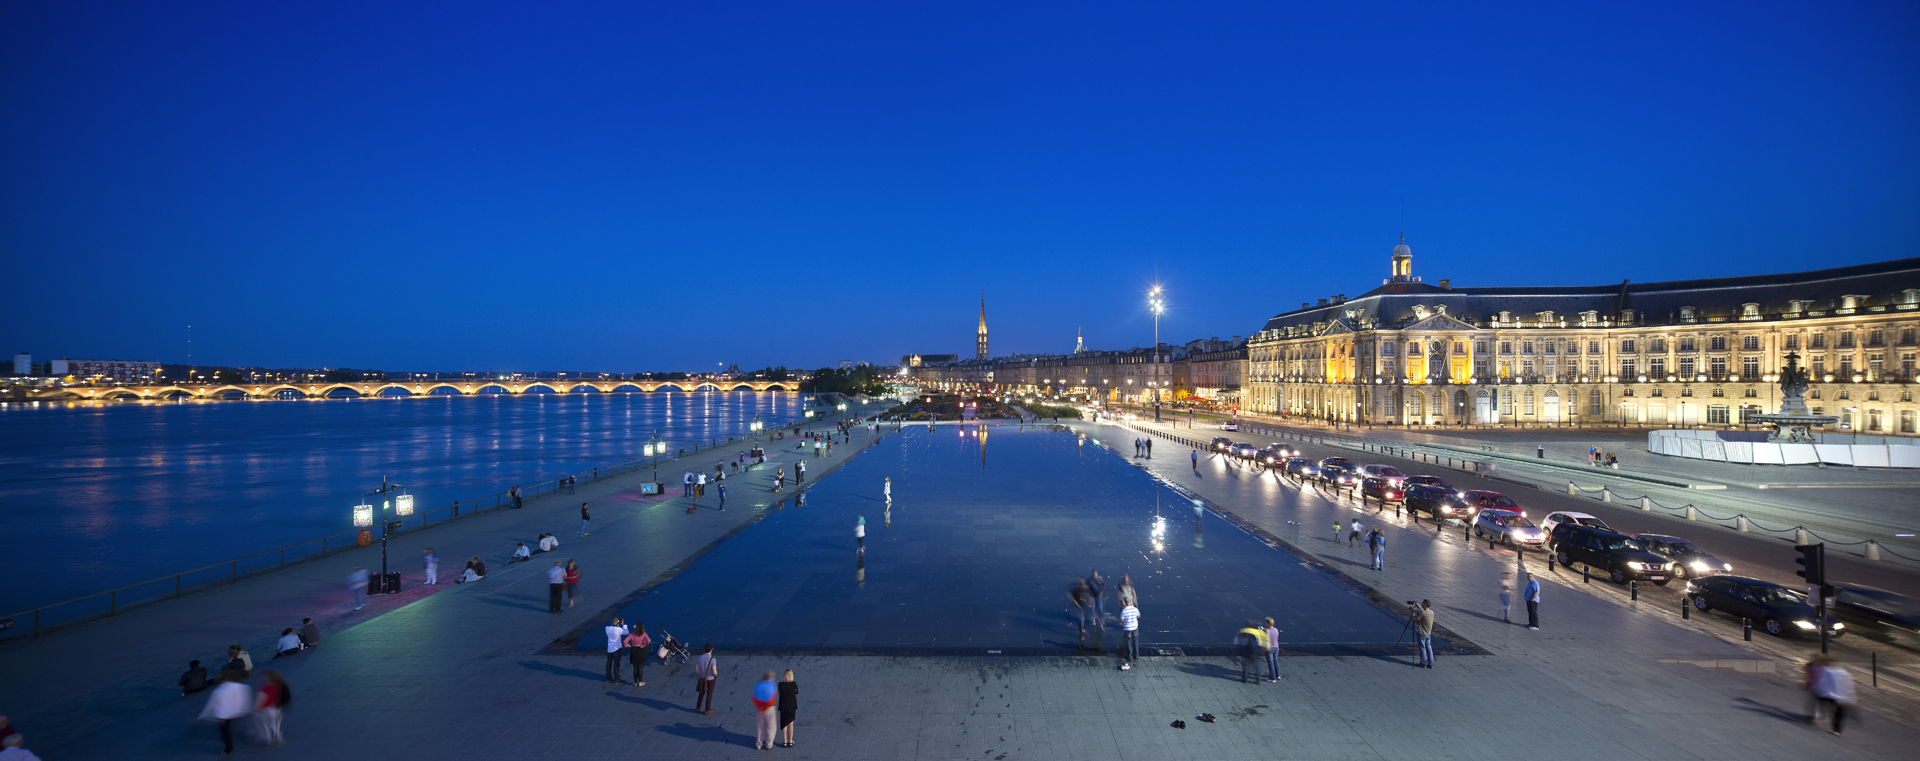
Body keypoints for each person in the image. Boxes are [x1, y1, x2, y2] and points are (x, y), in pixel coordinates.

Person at [199, 669, 252, 756]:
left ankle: (229, 749)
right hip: (236, 711)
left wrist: (203, 716)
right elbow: (244, 699)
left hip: (223, 715)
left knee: (225, 732)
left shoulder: (218, 691)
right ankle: (245, 739)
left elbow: (211, 705)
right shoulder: (241, 686)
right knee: (231, 726)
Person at [1811, 656, 1856, 734]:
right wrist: (1851, 698)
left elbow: (1821, 683)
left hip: (1828, 694)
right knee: (1840, 713)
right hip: (1842, 697)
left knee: (1822, 705)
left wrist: (1817, 690)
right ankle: (1837, 730)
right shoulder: (1845, 673)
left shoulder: (1826, 671)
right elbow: (1849, 686)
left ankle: (1819, 718)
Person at [253, 669, 290, 746]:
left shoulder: (265, 688)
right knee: (276, 723)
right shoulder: (279, 686)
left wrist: (255, 708)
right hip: (277, 707)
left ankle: (269, 738)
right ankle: (277, 737)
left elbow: (261, 699)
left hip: (267, 708)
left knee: (267, 723)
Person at [753, 671, 779, 749]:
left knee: (760, 727)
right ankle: (769, 744)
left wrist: (759, 708)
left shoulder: (757, 685)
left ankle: (759, 744)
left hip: (759, 709)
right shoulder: (772, 686)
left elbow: (753, 697)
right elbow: (770, 700)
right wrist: (764, 709)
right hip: (769, 709)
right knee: (771, 727)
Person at [693, 644, 718, 715]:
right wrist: (716, 675)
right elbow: (714, 672)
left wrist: (702, 674)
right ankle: (707, 709)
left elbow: (697, 670)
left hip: (703, 678)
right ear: (711, 649)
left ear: (704, 649)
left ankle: (698, 707)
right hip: (711, 679)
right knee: (709, 694)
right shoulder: (712, 659)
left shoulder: (699, 658)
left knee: (701, 693)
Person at [603, 617, 629, 684]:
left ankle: (608, 677)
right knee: (616, 664)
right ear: (617, 622)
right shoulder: (618, 629)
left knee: (609, 663)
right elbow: (626, 632)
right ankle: (617, 679)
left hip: (609, 649)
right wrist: (623, 625)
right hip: (616, 649)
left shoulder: (607, 628)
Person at [777, 669, 799, 747]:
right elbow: (797, 691)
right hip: (791, 706)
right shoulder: (794, 684)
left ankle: (785, 741)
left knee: (784, 724)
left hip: (783, 707)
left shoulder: (780, 685)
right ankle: (790, 741)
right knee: (790, 723)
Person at [1119, 600, 1141, 670]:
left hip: (1128, 627)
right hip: (1135, 627)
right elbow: (1138, 616)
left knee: (1128, 641)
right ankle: (1136, 654)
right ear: (1130, 602)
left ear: (1125, 603)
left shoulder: (1124, 610)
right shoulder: (1135, 609)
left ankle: (1129, 655)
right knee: (1135, 640)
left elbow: (1121, 620)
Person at [1415, 600, 1436, 669]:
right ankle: (1431, 664)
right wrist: (1420, 608)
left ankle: (1423, 663)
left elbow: (1415, 618)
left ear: (1425, 605)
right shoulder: (1432, 612)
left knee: (1422, 648)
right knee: (1429, 648)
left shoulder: (1423, 613)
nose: (1422, 604)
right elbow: (1424, 613)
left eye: (1422, 603)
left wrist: (1412, 610)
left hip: (1422, 633)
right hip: (1428, 633)